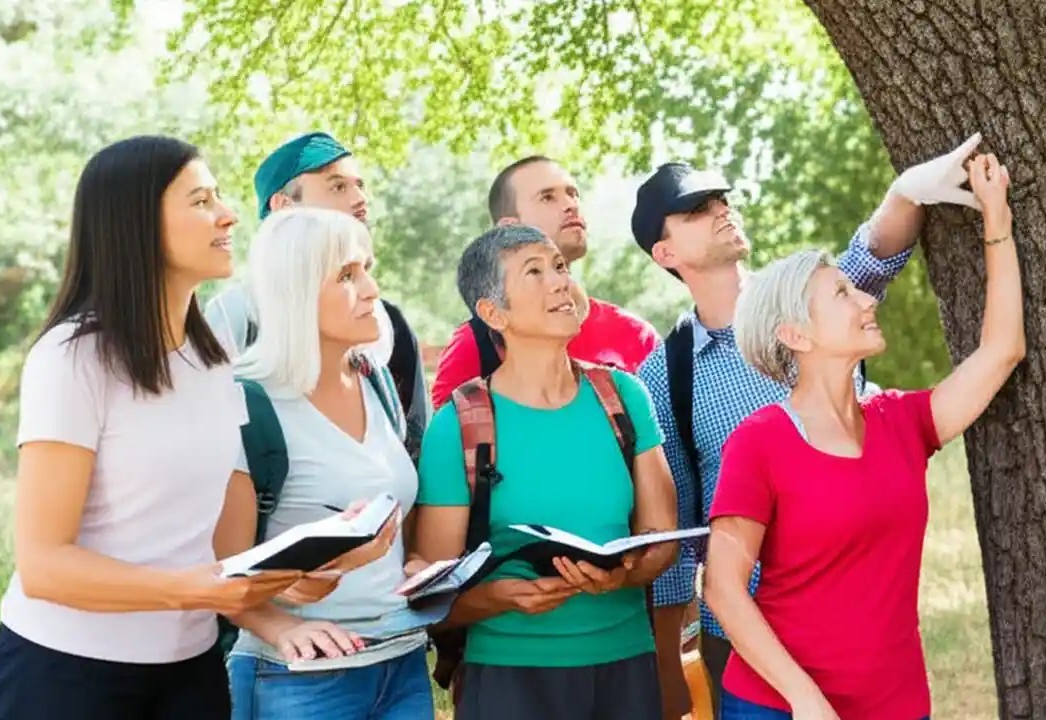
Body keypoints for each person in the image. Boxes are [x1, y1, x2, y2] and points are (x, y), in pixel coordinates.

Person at [632, 133, 987, 719]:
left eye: (721, 199)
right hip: (748, 644)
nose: (721, 210)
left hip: (855, 634)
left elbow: (875, 254)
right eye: (696, 210)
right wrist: (672, 672)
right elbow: (679, 532)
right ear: (665, 253)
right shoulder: (666, 376)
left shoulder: (814, 301)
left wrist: (906, 193)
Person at [0, 136, 308, 719]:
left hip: (190, 674)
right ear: (136, 223)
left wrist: (291, 577)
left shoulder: (214, 357)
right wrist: (192, 589)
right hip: (65, 678)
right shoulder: (71, 358)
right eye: (201, 200)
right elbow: (44, 564)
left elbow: (222, 547)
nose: (228, 214)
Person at [414, 224, 679, 720]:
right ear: (493, 312)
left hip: (626, 668)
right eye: (534, 272)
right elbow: (432, 587)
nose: (560, 281)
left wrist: (624, 574)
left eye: (559, 266)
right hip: (511, 678)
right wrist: (495, 597)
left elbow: (662, 538)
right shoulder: (461, 422)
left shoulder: (623, 398)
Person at [223, 207, 433, 719]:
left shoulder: (379, 384)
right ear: (295, 291)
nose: (371, 289)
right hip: (299, 680)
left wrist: (420, 568)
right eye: (347, 274)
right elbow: (219, 575)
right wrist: (284, 626)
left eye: (367, 268)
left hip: (402, 663)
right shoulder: (246, 407)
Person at [204, 132, 431, 458]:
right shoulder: (236, 314)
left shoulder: (387, 320)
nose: (360, 199)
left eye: (360, 185)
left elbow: (415, 443)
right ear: (283, 206)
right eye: (338, 187)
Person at [429, 156, 661, 407]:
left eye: (573, 194)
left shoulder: (635, 335)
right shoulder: (475, 343)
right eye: (547, 197)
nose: (571, 205)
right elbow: (449, 439)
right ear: (509, 228)